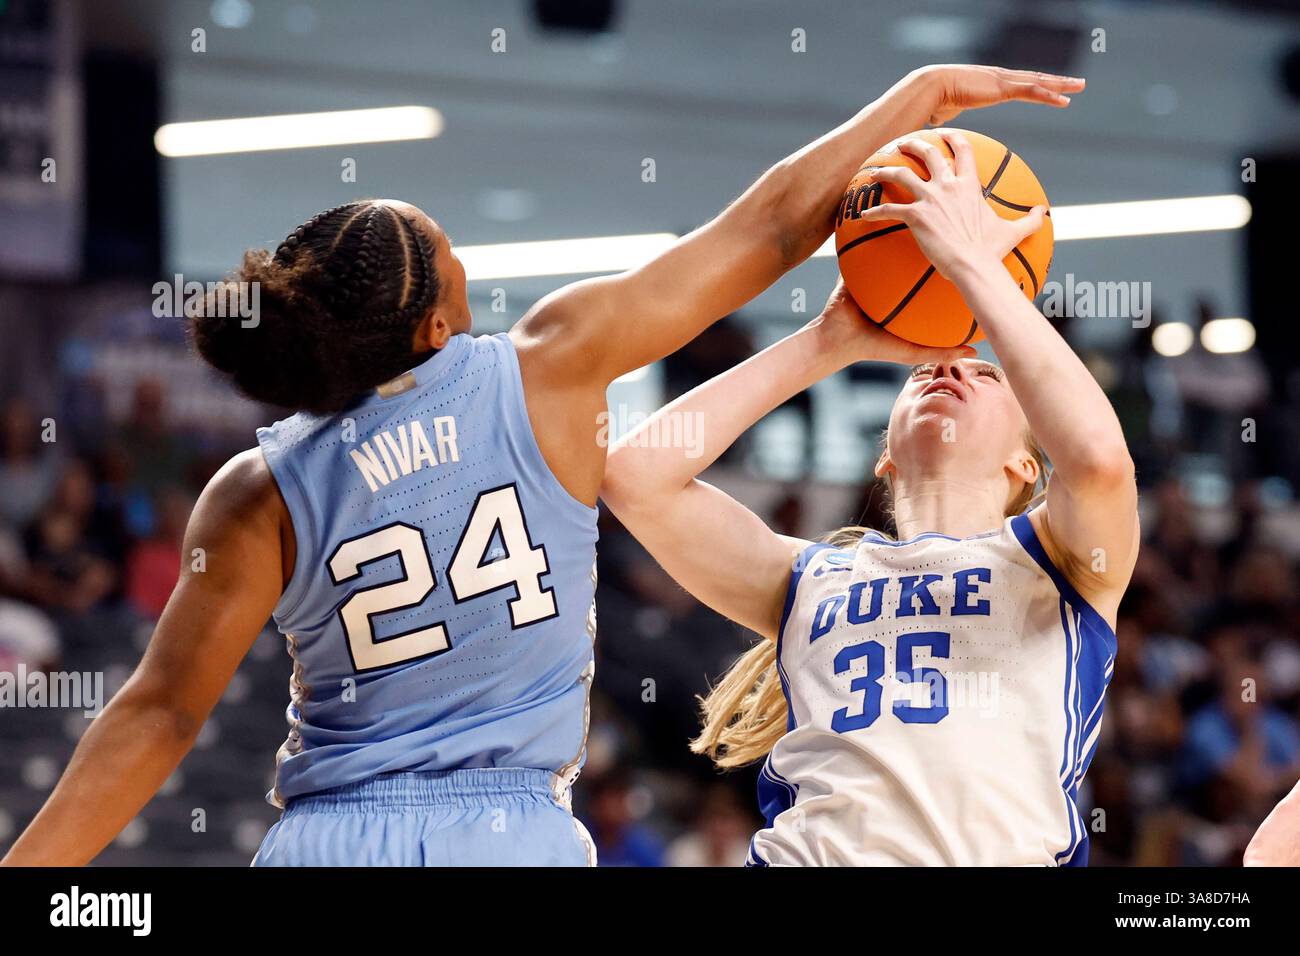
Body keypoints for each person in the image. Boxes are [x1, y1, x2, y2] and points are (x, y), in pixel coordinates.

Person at [1, 67, 1084, 868]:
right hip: (506, 832)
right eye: (460, 260)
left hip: (325, 836)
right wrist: (915, 100)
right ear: (433, 325)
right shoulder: (543, 371)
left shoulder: (254, 490)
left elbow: (156, 714)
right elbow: (764, 228)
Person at [602, 129, 1138, 865]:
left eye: (984, 374)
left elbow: (1100, 460)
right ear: (884, 456)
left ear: (1025, 465)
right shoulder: (805, 578)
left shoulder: (1062, 561)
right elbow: (635, 476)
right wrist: (826, 342)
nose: (952, 367)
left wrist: (976, 267)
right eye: (927, 370)